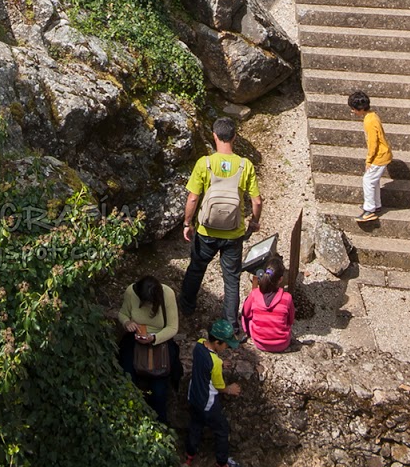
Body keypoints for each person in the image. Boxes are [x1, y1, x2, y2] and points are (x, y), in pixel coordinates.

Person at [179, 117, 261, 328]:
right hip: (234, 232)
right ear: (234, 137)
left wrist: (187, 223)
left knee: (196, 268)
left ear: (214, 136)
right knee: (232, 279)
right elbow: (257, 201)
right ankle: (230, 323)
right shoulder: (245, 165)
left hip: (206, 230)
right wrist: (254, 222)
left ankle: (186, 308)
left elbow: (193, 198)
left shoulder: (204, 163)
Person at [116, 274, 180, 425]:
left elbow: (172, 327)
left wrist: (154, 338)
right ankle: (130, 419)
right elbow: (123, 313)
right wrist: (127, 323)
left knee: (159, 390)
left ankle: (160, 424)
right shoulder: (131, 292)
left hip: (159, 340)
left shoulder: (168, 294)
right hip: (135, 340)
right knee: (128, 378)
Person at [184, 318, 242, 467]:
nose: (227, 347)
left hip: (193, 396)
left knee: (195, 426)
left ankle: (190, 455)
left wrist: (220, 362)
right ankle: (222, 463)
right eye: (226, 344)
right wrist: (230, 389)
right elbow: (219, 386)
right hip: (207, 402)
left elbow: (207, 359)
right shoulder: (215, 363)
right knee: (222, 430)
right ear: (217, 342)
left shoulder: (199, 344)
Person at [347, 89, 393, 223]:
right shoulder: (372, 116)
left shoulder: (369, 121)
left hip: (379, 156)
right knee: (374, 181)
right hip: (383, 154)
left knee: (367, 180)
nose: (352, 111)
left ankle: (369, 210)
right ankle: (376, 205)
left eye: (353, 109)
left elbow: (373, 143)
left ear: (360, 109)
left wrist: (369, 160)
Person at [238, 252, 295, 351]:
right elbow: (290, 320)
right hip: (282, 343)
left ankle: (249, 334)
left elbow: (246, 314)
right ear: (280, 279)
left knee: (247, 314)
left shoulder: (254, 294)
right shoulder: (287, 298)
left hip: (259, 342)